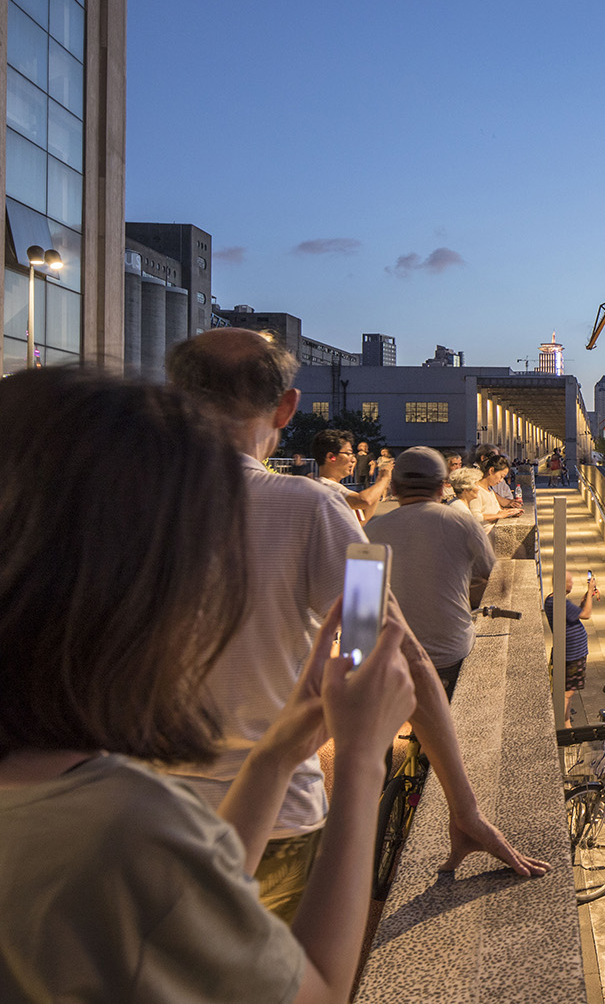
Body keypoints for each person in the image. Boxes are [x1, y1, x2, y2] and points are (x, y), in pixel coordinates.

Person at [0, 367, 419, 1004]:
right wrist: (362, 761)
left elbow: (183, 898)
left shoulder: (48, 795)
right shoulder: (118, 826)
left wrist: (276, 756)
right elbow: (317, 992)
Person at [164, 329, 546, 919]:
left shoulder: (103, 505)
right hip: (272, 822)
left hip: (131, 819)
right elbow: (387, 652)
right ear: (286, 408)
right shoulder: (313, 508)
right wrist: (463, 808)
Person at [364, 448, 498, 700]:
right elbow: (494, 579)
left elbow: (361, 608)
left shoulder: (372, 532)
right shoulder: (464, 524)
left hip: (395, 654)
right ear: (441, 488)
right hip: (451, 649)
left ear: (393, 488)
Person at [542, 573, 595, 721]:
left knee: (567, 691)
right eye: (569, 581)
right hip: (572, 653)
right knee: (567, 692)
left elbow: (574, 614)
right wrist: (590, 592)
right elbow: (586, 614)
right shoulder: (560, 602)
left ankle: (565, 719)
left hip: (572, 651)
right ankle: (564, 724)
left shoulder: (552, 599)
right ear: (561, 583)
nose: (572, 584)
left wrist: (586, 599)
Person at [311, 429, 392, 521]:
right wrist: (383, 479)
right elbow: (364, 500)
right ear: (331, 457)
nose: (353, 460)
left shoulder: (334, 487)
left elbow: (361, 520)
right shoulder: (326, 486)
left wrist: (379, 482)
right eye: (348, 453)